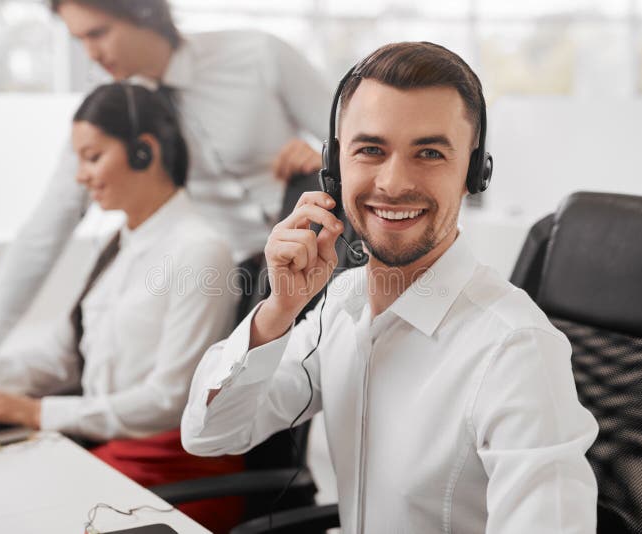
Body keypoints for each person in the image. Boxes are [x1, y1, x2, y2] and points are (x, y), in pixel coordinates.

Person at [180, 42, 599, 533]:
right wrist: (278, 310)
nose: (394, 182)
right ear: (334, 169)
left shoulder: (515, 350)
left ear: (474, 172)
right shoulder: (344, 303)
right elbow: (210, 434)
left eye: (429, 152)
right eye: (371, 150)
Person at [0, 83, 244, 533]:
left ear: (144, 152)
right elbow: (64, 355)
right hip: (114, 452)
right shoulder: (119, 245)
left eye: (92, 156)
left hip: (173, 470)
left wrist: (37, 413)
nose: (80, 175)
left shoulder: (200, 251)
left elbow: (170, 400)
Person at [0, 0, 332, 355]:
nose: (90, 53)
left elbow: (362, 142)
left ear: (143, 10)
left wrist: (325, 159)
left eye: (99, 33)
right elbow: (47, 227)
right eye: (80, 40)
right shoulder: (113, 113)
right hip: (225, 284)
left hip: (316, 256)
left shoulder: (259, 55)